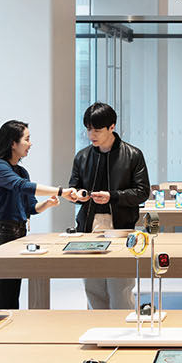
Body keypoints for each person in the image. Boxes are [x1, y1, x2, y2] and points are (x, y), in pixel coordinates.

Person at [64, 102, 151, 310]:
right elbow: (73, 188)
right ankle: (97, 332)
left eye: (97, 130)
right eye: (88, 129)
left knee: (120, 288)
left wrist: (112, 197)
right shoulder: (83, 156)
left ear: (112, 127)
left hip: (121, 228)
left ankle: (124, 334)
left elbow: (142, 192)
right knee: (93, 289)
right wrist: (76, 195)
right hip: (88, 228)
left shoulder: (132, 155)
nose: (91, 135)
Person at [0, 120, 62, 309]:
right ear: (12, 143)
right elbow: (21, 187)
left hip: (18, 235)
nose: (30, 143)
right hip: (1, 236)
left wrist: (48, 204)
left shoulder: (22, 171)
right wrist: (61, 191)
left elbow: (30, 209)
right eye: (27, 139)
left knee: (11, 297)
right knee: (2, 300)